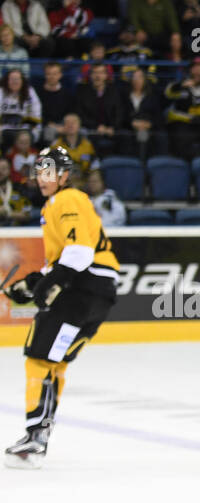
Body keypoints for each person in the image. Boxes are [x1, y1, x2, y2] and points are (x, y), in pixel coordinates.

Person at [2, 146, 119, 467]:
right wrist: (32, 283)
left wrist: (46, 284)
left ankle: (36, 438)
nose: (43, 179)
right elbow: (67, 258)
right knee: (54, 362)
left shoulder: (65, 200)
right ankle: (38, 436)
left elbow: (78, 255)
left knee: (39, 357)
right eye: (40, 172)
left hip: (82, 289)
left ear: (64, 175)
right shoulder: (68, 203)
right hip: (99, 293)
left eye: (50, 172)